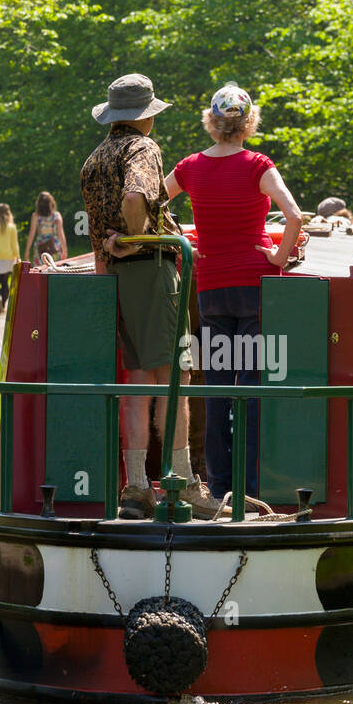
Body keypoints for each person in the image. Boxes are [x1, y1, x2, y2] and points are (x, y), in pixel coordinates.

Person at [80, 73, 222, 521]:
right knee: (174, 380)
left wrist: (113, 249)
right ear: (145, 117)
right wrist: (139, 234)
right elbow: (136, 196)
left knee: (137, 383)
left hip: (117, 278)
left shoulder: (94, 159)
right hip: (151, 274)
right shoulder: (142, 148)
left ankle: (137, 487)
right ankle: (186, 484)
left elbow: (96, 230)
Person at [164, 83, 303, 501]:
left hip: (212, 289)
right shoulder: (258, 164)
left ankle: (220, 487)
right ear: (248, 123)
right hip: (254, 287)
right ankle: (253, 487)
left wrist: (180, 245)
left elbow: (151, 202)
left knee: (218, 389)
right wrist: (279, 257)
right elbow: (294, 215)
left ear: (212, 122)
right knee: (253, 389)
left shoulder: (190, 167)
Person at [24, 191, 67, 263]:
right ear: (51, 202)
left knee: (40, 271)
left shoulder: (36, 216)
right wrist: (64, 250)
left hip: (40, 248)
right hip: (54, 247)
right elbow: (60, 234)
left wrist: (27, 250)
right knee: (54, 269)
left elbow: (32, 234)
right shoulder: (56, 216)